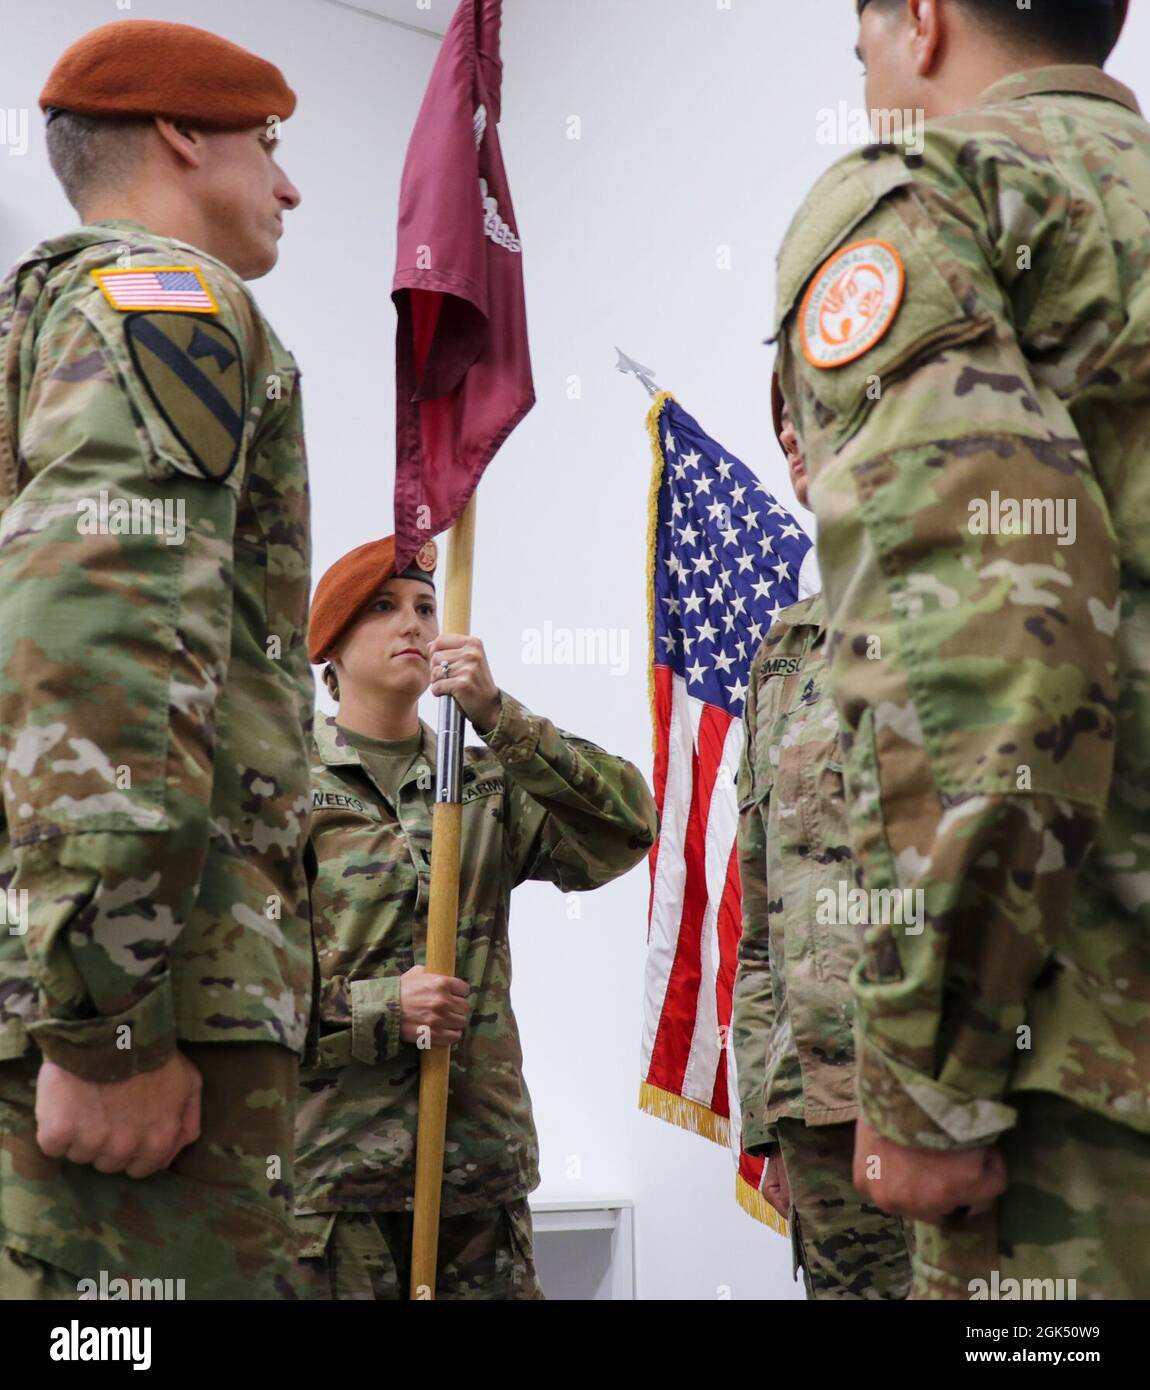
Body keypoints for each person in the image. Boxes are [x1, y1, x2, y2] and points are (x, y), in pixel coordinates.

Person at [772, 0, 1148, 1297]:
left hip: (1083, 1092)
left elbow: (988, 653)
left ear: (916, 22)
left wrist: (930, 1079)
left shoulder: (940, 195)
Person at [0, 20, 312, 1299]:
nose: (290, 185)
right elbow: (102, 637)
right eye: (270, 144)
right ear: (182, 133)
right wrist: (109, 1017)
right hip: (142, 1001)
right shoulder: (164, 305)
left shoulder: (41, 322)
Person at [295, 536, 659, 1300]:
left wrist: (499, 716)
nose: (415, 625)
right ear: (328, 646)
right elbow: (240, 998)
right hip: (334, 1183)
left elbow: (627, 826)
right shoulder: (283, 787)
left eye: (427, 607)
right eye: (384, 607)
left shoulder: (482, 778)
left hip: (476, 1175)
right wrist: (380, 1010)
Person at [732, 372, 912, 1300]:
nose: (793, 440)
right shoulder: (784, 652)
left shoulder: (968, 608)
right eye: (784, 427)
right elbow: (759, 908)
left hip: (942, 1089)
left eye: (813, 415)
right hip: (817, 1102)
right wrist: (769, 1095)